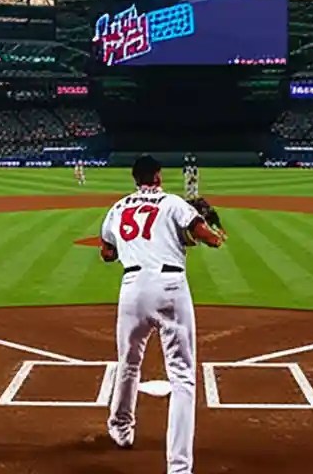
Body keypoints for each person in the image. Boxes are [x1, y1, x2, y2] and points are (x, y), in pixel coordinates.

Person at [99, 154, 225, 474]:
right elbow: (207, 238)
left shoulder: (118, 207)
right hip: (170, 288)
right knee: (182, 377)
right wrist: (214, 232)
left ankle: (121, 428)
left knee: (128, 363)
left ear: (134, 179)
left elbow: (107, 253)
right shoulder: (173, 202)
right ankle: (179, 468)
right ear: (157, 176)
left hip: (131, 289)